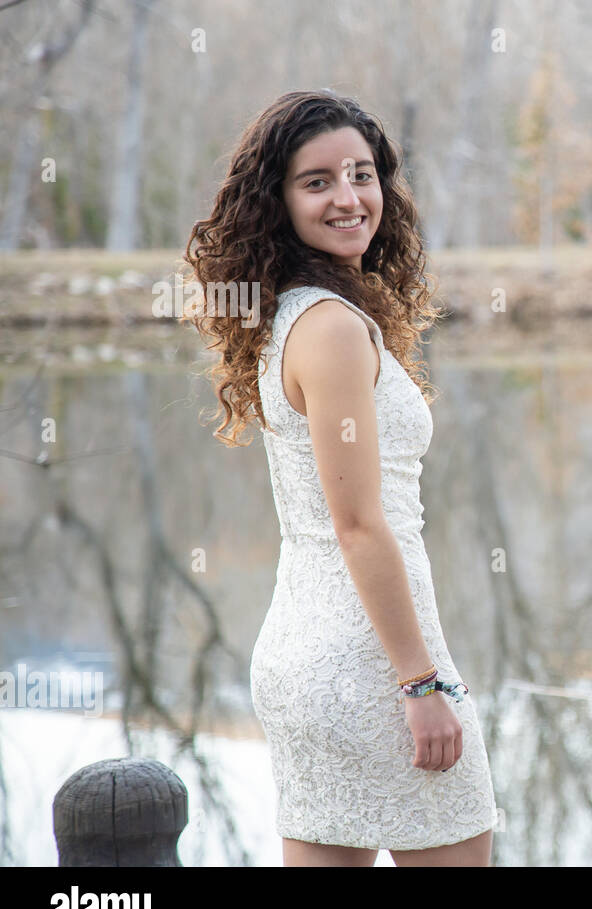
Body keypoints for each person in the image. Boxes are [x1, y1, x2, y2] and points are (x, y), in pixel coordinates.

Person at [182, 90, 496, 866]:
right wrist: (421, 685)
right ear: (276, 200)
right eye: (317, 181)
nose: (350, 197)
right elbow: (357, 525)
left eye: (361, 174)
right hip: (371, 665)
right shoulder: (328, 328)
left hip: (304, 659)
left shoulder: (293, 312)